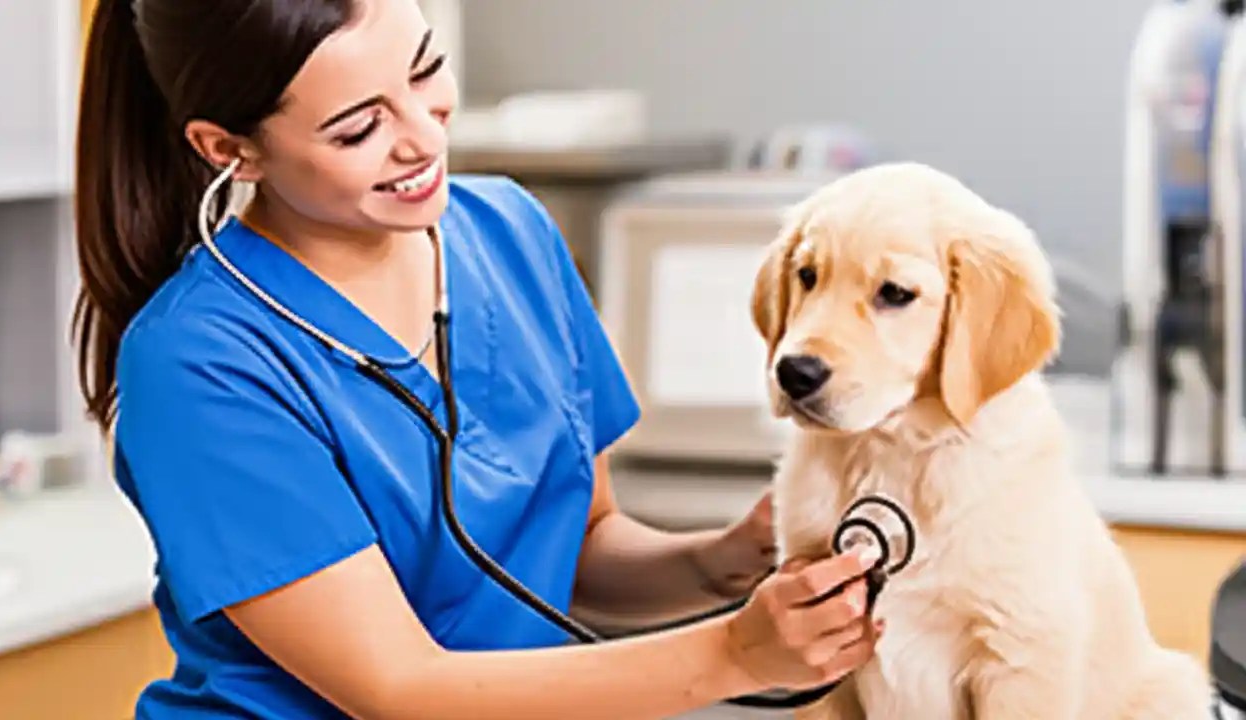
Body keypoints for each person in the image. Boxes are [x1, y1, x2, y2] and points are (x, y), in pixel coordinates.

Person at [72, 0, 883, 717]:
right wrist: (736, 655)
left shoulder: (508, 232)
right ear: (231, 150)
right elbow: (399, 689)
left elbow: (581, 550)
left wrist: (729, 559)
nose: (423, 137)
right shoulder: (199, 362)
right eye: (359, 127)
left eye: (425, 70)